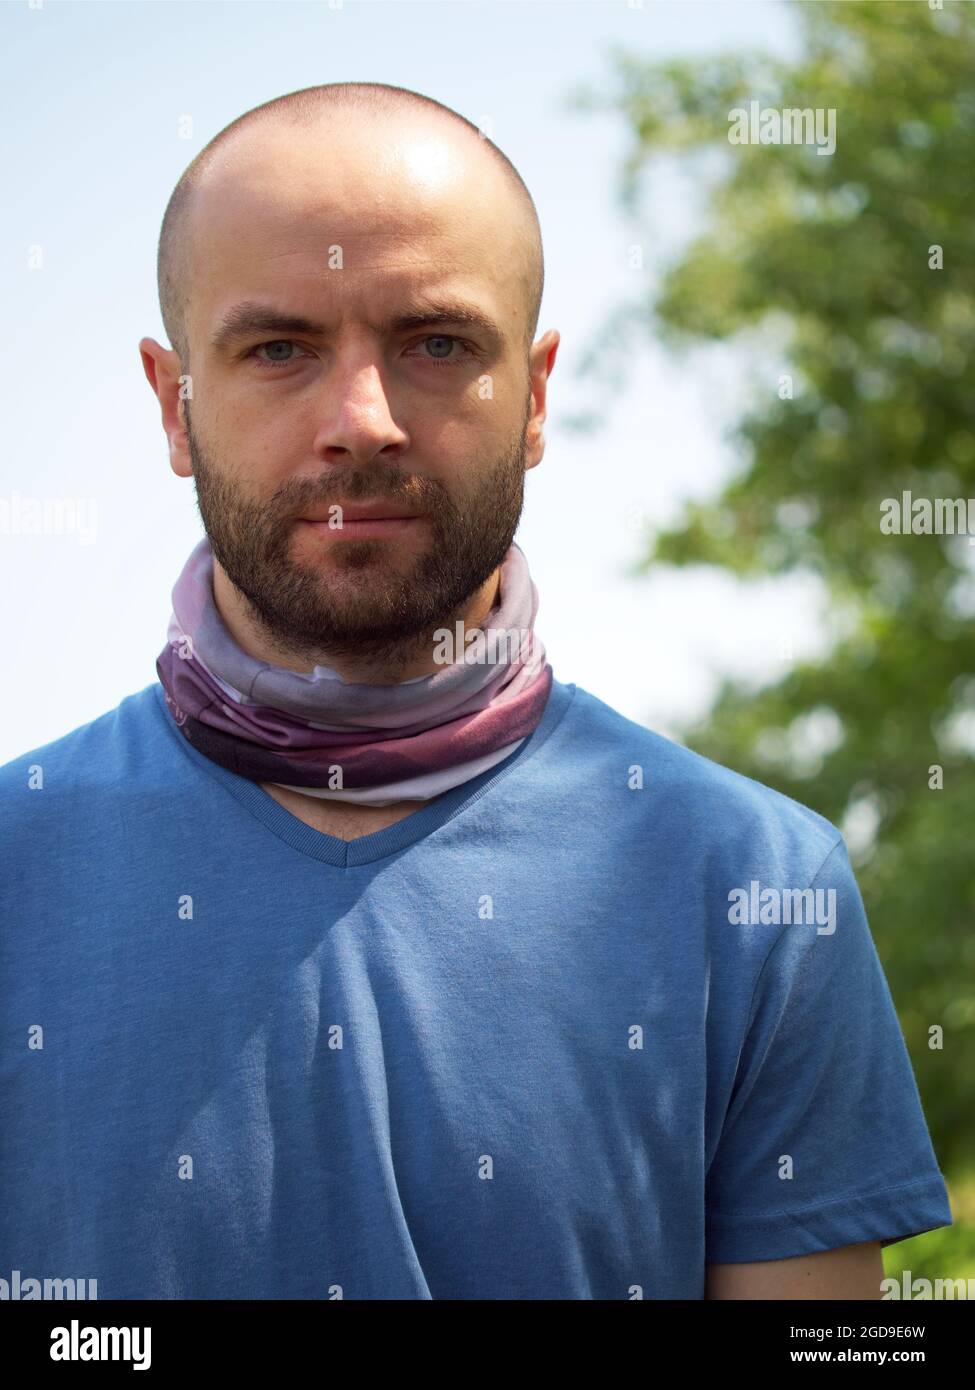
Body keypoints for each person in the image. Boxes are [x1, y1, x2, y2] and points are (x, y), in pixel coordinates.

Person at [0, 82, 951, 1301]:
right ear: (172, 402)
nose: (362, 421)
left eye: (436, 342)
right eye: (278, 347)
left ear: (539, 395)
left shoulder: (759, 890)